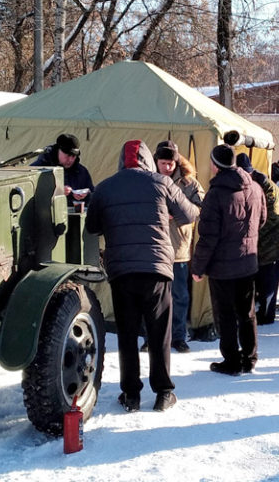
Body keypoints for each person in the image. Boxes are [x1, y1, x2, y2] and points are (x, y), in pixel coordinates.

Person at [85, 140, 199, 412]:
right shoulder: (162, 183)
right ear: (148, 160)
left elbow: (92, 227)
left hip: (122, 271)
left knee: (127, 334)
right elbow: (190, 214)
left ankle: (131, 395)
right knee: (159, 333)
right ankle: (163, 393)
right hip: (156, 270)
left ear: (120, 162)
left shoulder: (105, 187)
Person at [191, 144, 267, 376]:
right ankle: (250, 357)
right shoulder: (255, 187)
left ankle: (232, 361)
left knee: (225, 314)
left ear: (215, 165)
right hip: (248, 262)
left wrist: (198, 266)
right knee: (246, 312)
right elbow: (261, 220)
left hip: (223, 266)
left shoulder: (216, 194)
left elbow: (208, 236)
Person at [154, 140, 205, 353]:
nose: (167, 167)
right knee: (154, 297)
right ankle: (154, 337)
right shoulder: (149, 179)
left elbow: (202, 207)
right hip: (155, 247)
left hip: (179, 249)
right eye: (163, 163)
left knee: (180, 296)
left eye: (171, 164)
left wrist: (180, 212)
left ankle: (178, 336)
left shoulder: (189, 184)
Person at [237, 153, 279, 325]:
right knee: (259, 284)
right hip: (261, 246)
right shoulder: (253, 186)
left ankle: (267, 316)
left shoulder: (268, 189)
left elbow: (274, 217)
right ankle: (260, 313)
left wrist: (251, 226)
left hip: (273, 246)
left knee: (268, 285)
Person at [31, 133, 95, 206]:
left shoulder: (81, 172)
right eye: (68, 155)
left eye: (74, 156)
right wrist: (56, 193)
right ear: (58, 151)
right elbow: (30, 198)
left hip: (73, 216)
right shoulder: (37, 169)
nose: (70, 159)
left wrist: (87, 195)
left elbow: (93, 197)